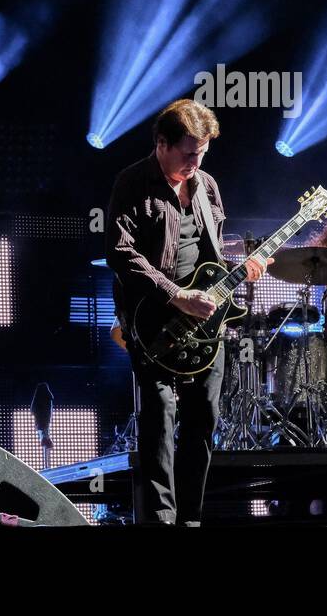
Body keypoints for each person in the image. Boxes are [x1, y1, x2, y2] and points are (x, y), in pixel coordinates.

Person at [106, 99, 266, 524]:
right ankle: (160, 521)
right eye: (188, 152)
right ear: (162, 143)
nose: (196, 161)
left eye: (202, 153)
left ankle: (190, 519)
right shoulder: (131, 183)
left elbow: (212, 259)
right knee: (159, 422)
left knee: (203, 422)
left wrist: (244, 271)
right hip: (153, 318)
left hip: (206, 324)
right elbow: (121, 255)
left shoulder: (207, 185)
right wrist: (176, 295)